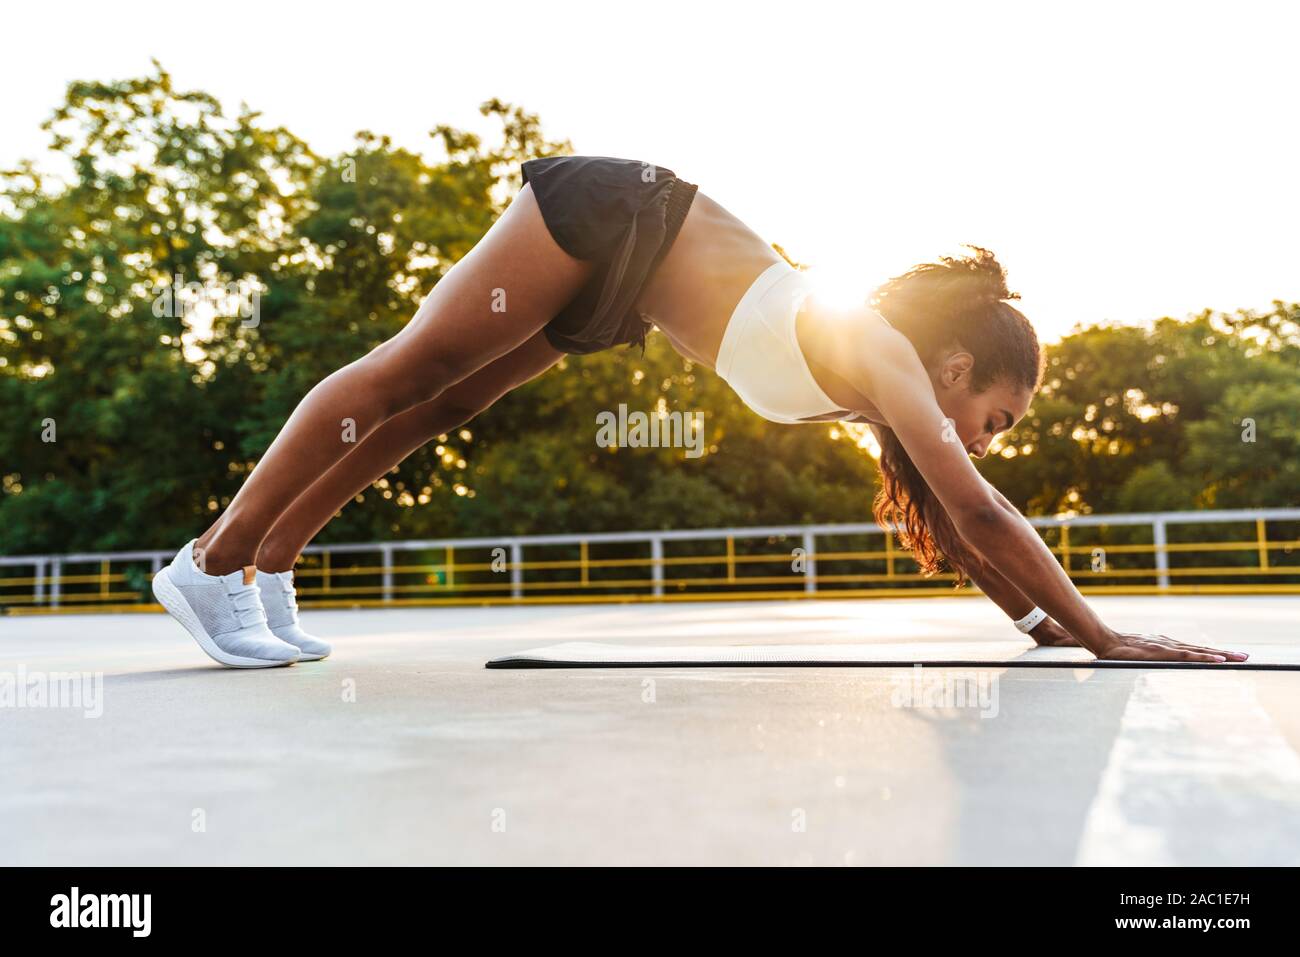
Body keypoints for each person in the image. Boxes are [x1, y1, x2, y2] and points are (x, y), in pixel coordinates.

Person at [152, 155, 1247, 668]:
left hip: (620, 291)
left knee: (444, 407)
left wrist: (1036, 622)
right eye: (996, 417)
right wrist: (1107, 638)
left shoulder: (885, 390)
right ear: (956, 362)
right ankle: (213, 559)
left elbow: (960, 527)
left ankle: (272, 562)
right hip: (618, 215)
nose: (983, 441)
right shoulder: (877, 345)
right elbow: (982, 511)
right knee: (407, 373)